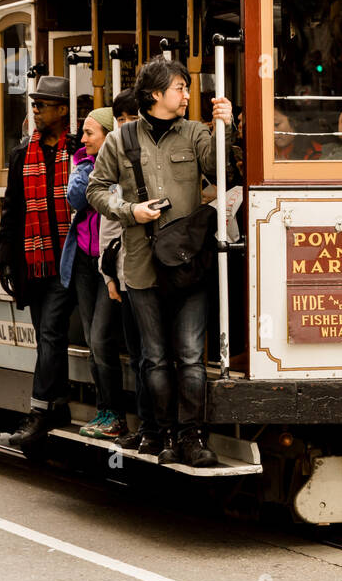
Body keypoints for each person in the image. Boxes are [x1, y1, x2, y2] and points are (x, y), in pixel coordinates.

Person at [87, 58, 233, 468]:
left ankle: (191, 437)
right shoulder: (120, 140)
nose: (187, 95)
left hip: (189, 263)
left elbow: (224, 172)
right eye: (180, 88)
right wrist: (131, 211)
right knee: (153, 356)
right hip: (141, 262)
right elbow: (95, 192)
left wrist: (227, 127)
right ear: (155, 95)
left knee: (189, 355)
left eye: (187, 89)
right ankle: (164, 434)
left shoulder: (195, 133)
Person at [0, 76, 79, 448]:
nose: (36, 110)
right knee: (47, 338)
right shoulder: (21, 154)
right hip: (34, 260)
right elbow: (12, 210)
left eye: (42, 105)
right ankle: (57, 404)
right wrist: (6, 262)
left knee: (50, 333)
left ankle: (40, 412)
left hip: (70, 258)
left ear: (62, 110)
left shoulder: (76, 149)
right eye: (34, 104)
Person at [60, 105, 126, 440]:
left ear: (107, 134)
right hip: (85, 262)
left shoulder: (118, 165)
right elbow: (74, 198)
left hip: (109, 264)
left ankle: (115, 414)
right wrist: (87, 164)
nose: (82, 138)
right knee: (91, 340)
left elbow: (91, 197)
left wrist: (94, 169)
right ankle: (104, 411)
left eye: (89, 133)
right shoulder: (82, 163)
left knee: (102, 337)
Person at [98, 90, 156, 451]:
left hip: (155, 272)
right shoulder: (117, 157)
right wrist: (109, 276)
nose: (127, 126)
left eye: (133, 118)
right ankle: (148, 425)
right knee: (140, 355)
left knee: (152, 355)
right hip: (127, 270)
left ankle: (157, 427)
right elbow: (108, 223)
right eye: (122, 119)